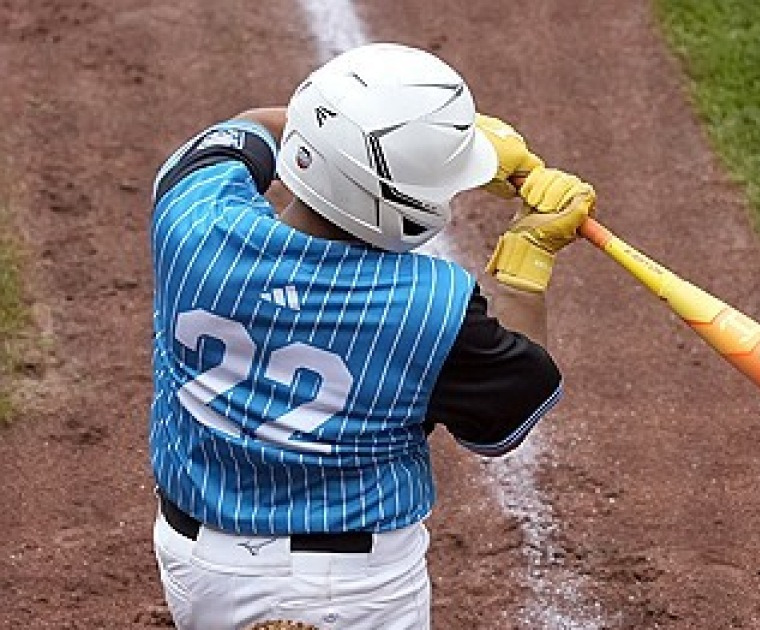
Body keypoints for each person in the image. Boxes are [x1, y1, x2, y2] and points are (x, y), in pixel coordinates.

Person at [148, 42, 595, 629]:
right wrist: (528, 256)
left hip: (200, 568)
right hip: (352, 593)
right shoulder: (433, 308)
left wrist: (348, 128)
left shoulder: (191, 218)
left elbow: (247, 128)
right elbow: (510, 416)